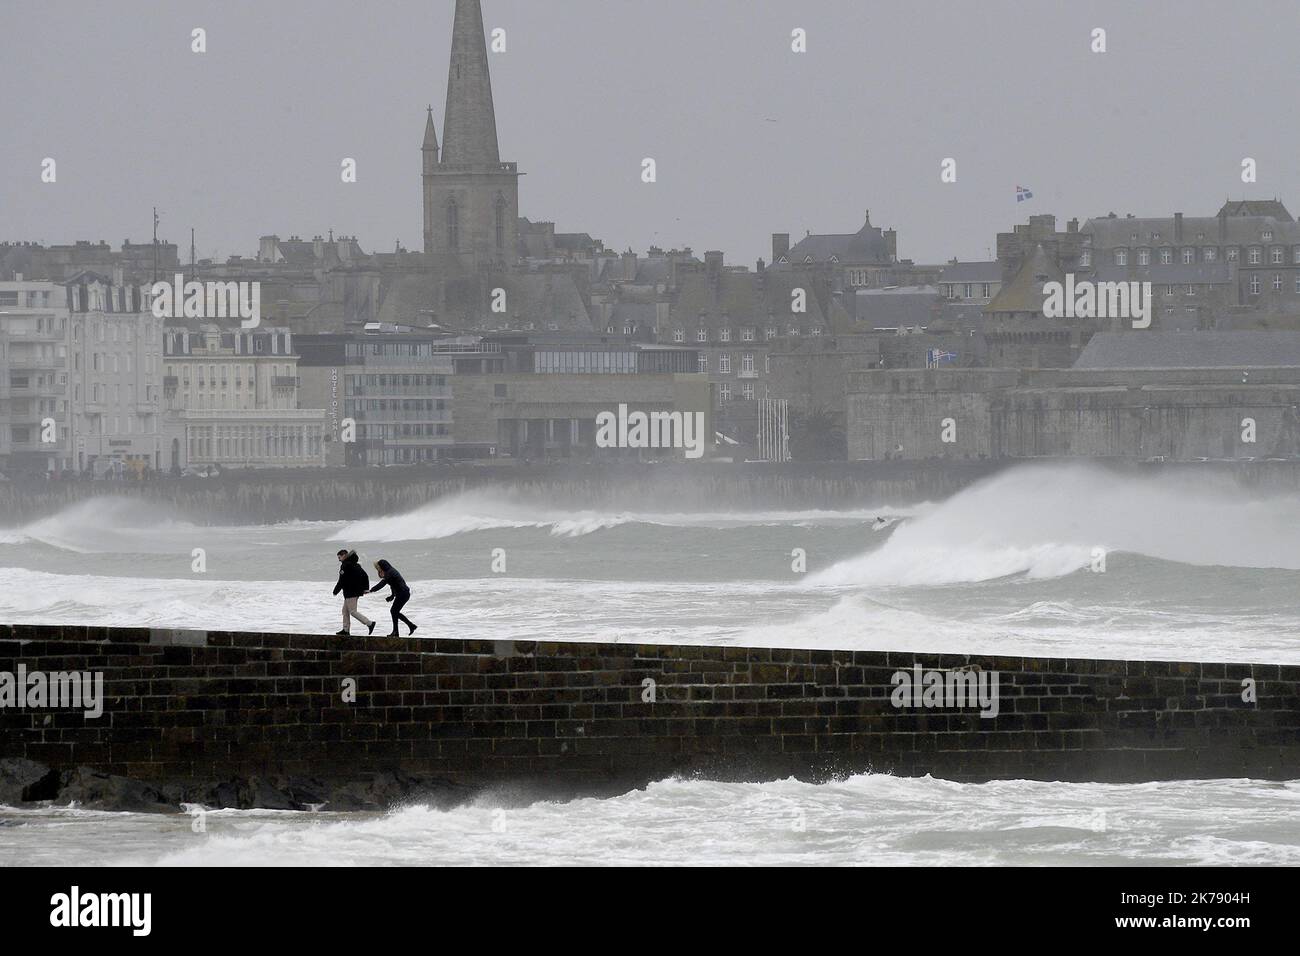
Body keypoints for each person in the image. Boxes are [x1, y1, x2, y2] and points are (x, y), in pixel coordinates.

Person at [333, 549, 376, 636]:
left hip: (350, 592)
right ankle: (345, 630)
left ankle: (370, 623)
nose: (339, 559)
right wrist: (365, 588)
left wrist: (335, 591)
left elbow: (342, 580)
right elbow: (365, 576)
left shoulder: (345, 565)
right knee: (345, 611)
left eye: (339, 557)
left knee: (352, 611)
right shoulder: (356, 565)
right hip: (355, 591)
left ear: (344, 555)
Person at [370, 559, 417, 636]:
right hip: (403, 593)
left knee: (393, 611)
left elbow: (382, 583)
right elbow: (392, 585)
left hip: (403, 593)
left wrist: (371, 590)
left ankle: (397, 631)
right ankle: (410, 626)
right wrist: (392, 596)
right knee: (395, 612)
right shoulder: (390, 571)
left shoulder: (389, 572)